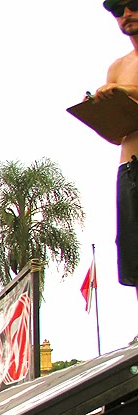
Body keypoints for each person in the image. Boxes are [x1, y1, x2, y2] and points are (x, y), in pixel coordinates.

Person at [98, 0, 138, 298]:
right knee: (135, 258)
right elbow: (116, 134)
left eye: (134, 5)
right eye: (117, 9)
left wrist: (125, 92)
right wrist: (100, 111)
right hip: (128, 170)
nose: (126, 14)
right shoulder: (118, 67)